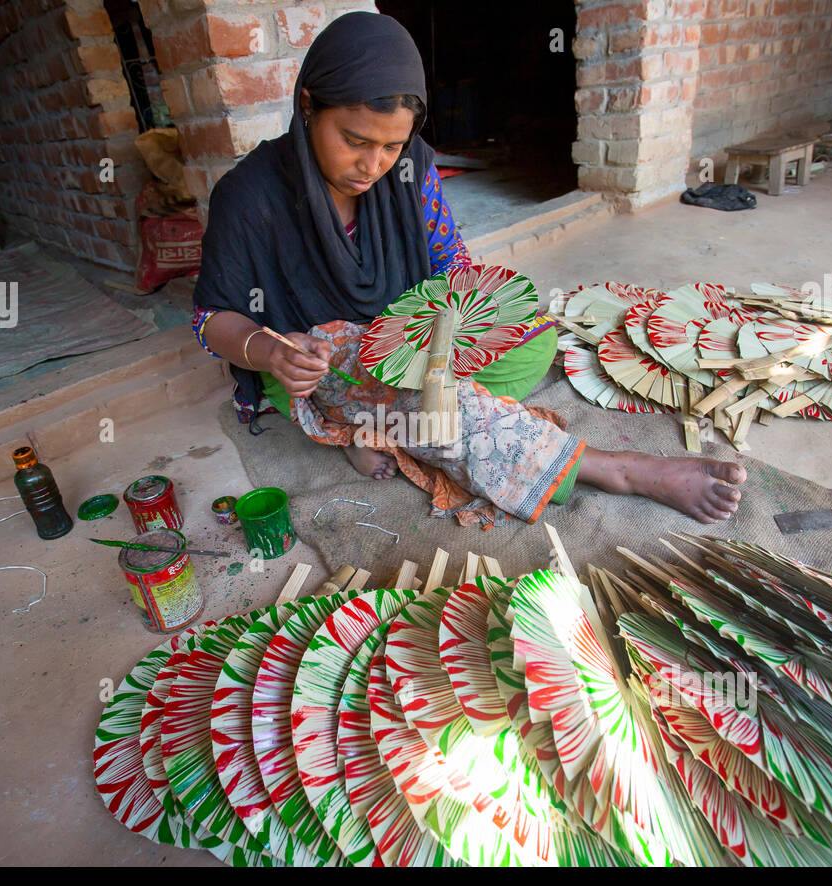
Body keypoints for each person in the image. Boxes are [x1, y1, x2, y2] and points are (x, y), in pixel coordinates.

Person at [192, 11, 744, 527]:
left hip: (403, 336)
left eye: (390, 146)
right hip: (316, 360)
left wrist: (450, 338)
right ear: (308, 104)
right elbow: (213, 316)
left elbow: (451, 269)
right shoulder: (250, 195)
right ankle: (615, 468)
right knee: (421, 405)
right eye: (355, 141)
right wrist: (272, 353)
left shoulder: (411, 169)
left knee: (532, 339)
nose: (372, 165)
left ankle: (374, 426)